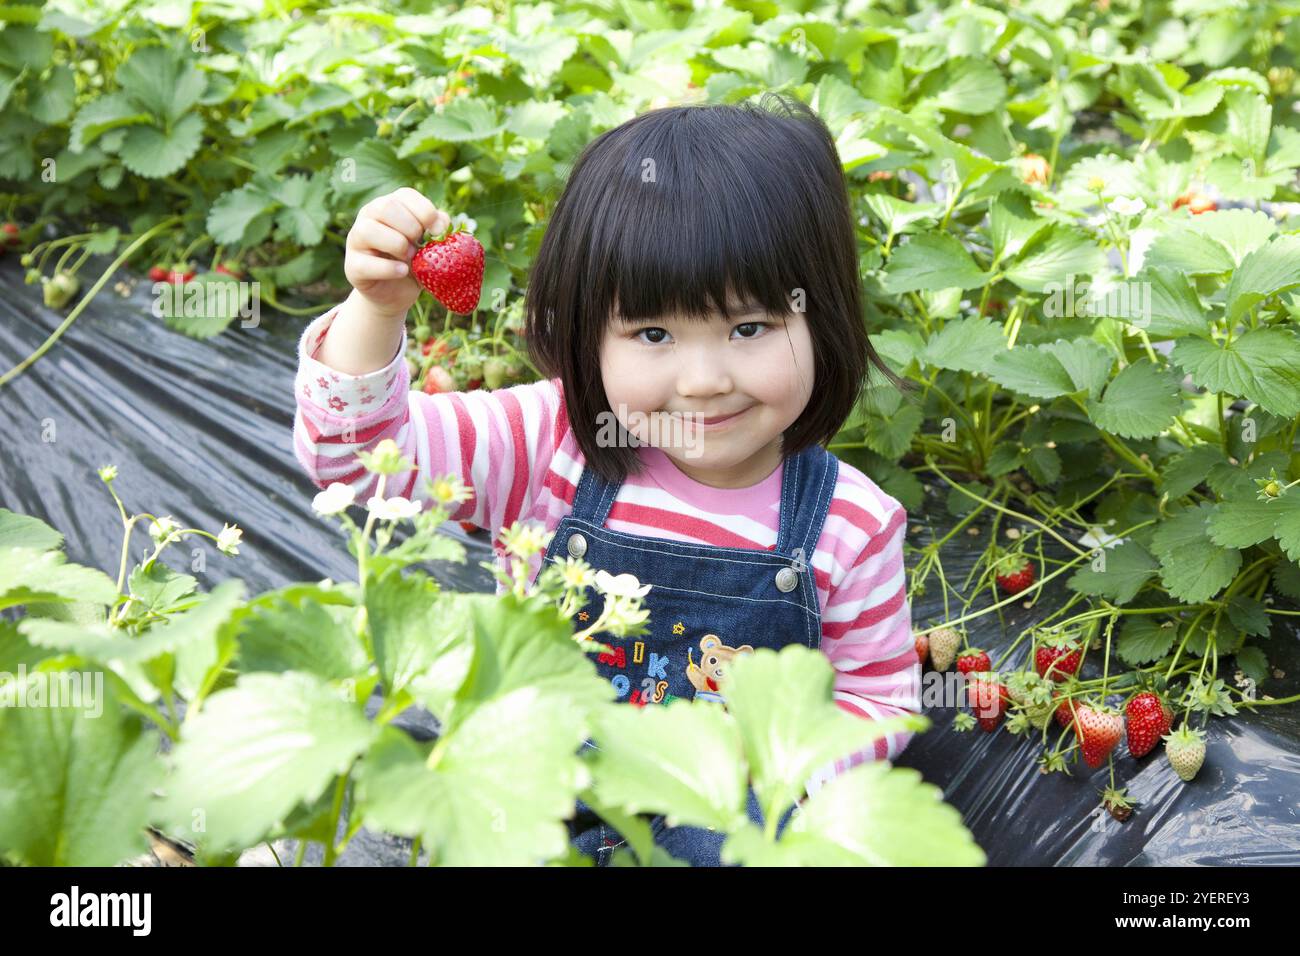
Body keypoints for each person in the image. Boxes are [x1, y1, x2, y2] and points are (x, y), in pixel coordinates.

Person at [293, 93, 921, 866]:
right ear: (587, 333)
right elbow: (357, 463)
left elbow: (878, 703)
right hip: (526, 792)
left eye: (749, 328)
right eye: (652, 333)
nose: (702, 381)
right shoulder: (549, 443)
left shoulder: (848, 523)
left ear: (822, 318)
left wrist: (781, 774)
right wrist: (375, 308)